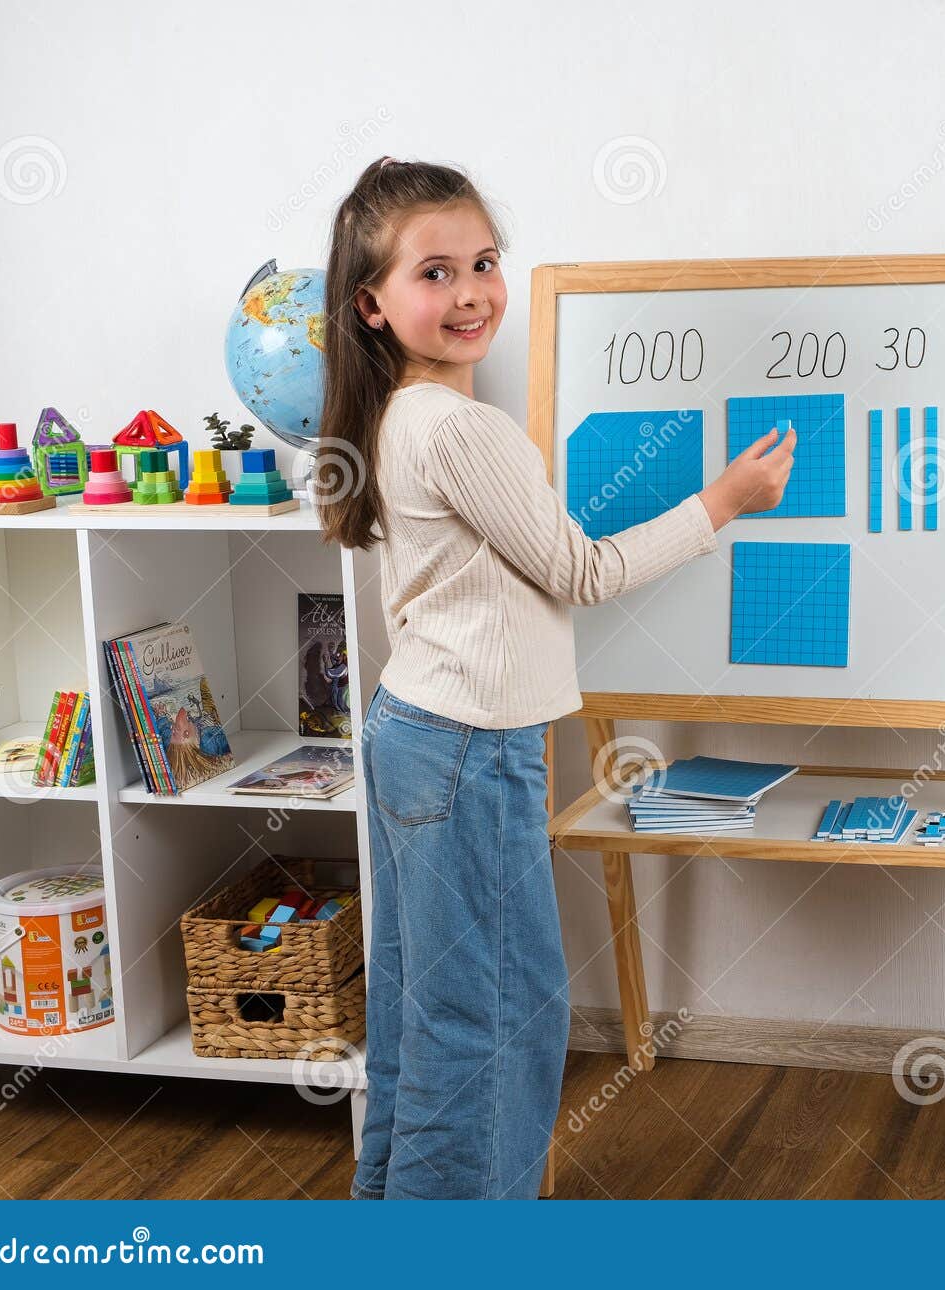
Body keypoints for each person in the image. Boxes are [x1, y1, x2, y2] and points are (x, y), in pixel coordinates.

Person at [316, 156, 795, 1199]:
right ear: (372, 304)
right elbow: (583, 571)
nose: (471, 293)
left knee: (425, 1011)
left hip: (420, 732)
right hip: (467, 748)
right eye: (434, 273)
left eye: (483, 263)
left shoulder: (397, 414)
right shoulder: (462, 428)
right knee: (494, 1024)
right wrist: (724, 501)